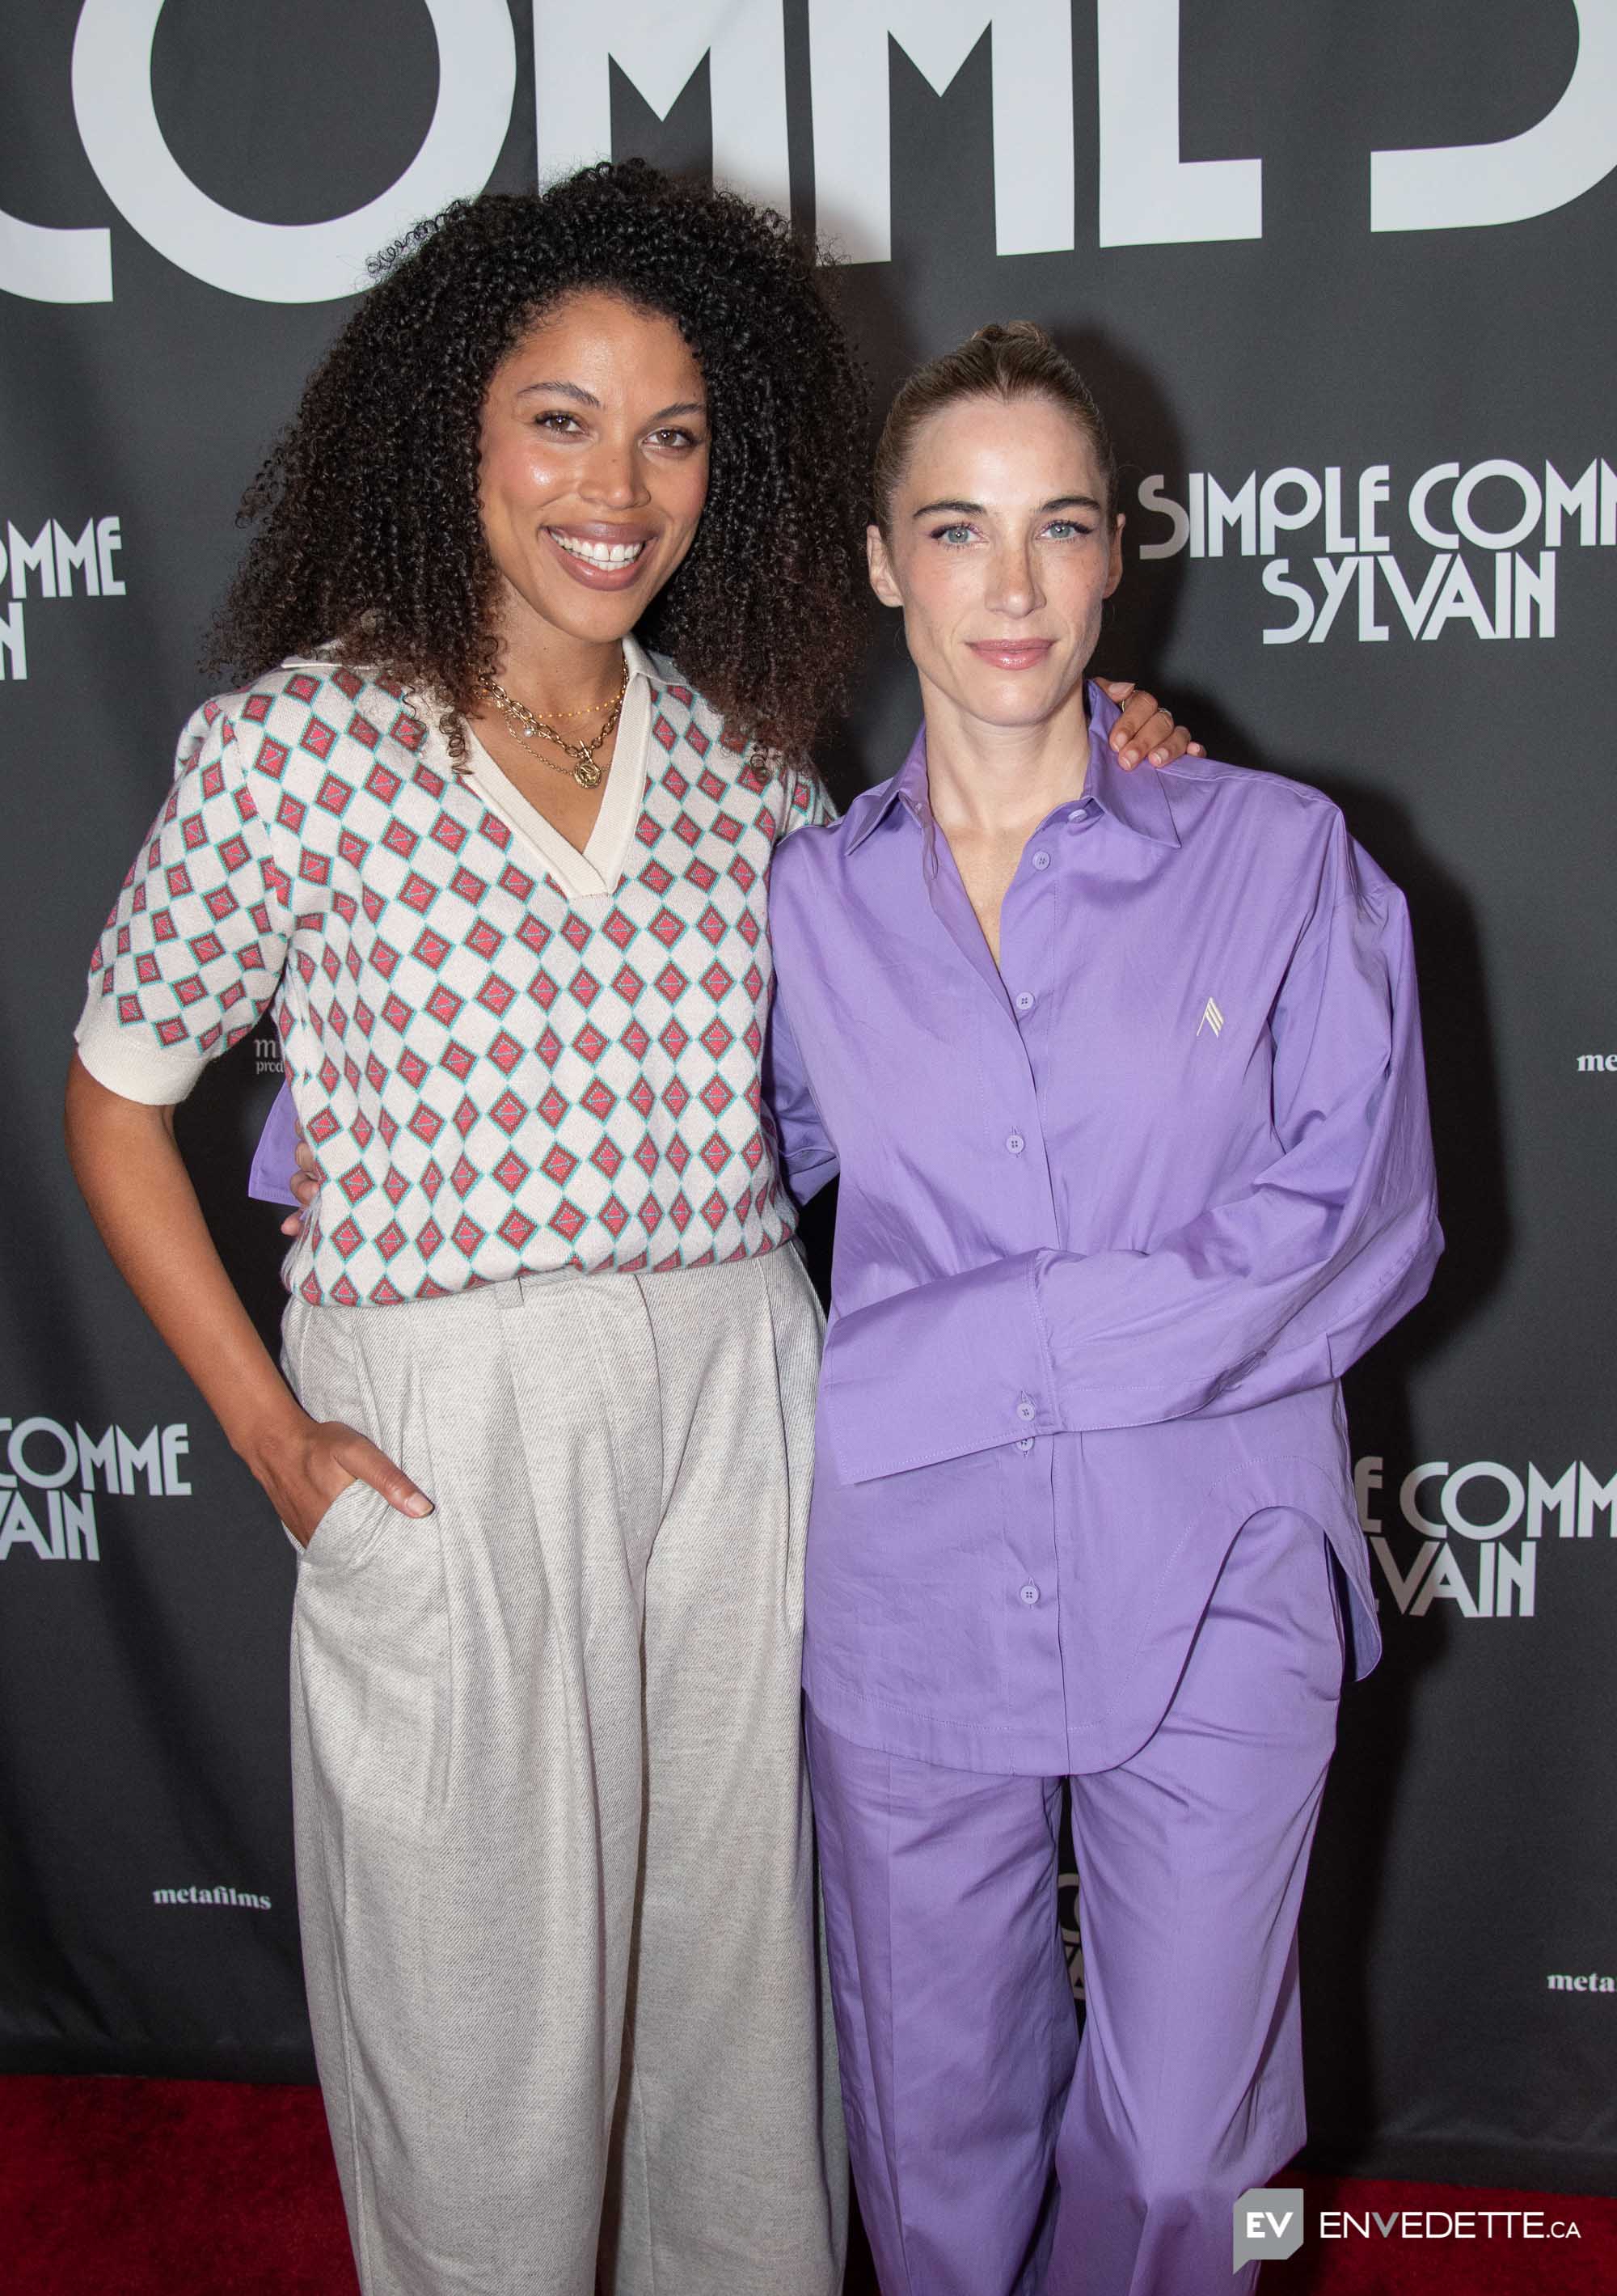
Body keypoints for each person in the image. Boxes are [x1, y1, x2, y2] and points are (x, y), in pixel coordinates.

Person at [65, 167, 1193, 2296]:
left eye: (672, 434)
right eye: (560, 420)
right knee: (472, 2042)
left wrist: (1106, 767)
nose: (617, 487)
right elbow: (116, 1101)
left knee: (738, 2029)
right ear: (455, 433)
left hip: (745, 1412)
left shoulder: (749, 771)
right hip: (447, 1425)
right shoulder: (291, 748)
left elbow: (956, 980)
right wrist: (277, 1441)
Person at [762, 323, 1442, 2296]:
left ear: (1114, 553)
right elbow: (679, 1149)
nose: (1012, 583)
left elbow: (1360, 1222)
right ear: (882, 559)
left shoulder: (1277, 856)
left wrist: (964, 1352)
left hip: (1215, 1553)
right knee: (931, 2146)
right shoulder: (801, 901)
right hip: (912, 1580)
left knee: (1188, 2157)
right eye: (955, 529)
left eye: (1058, 526)